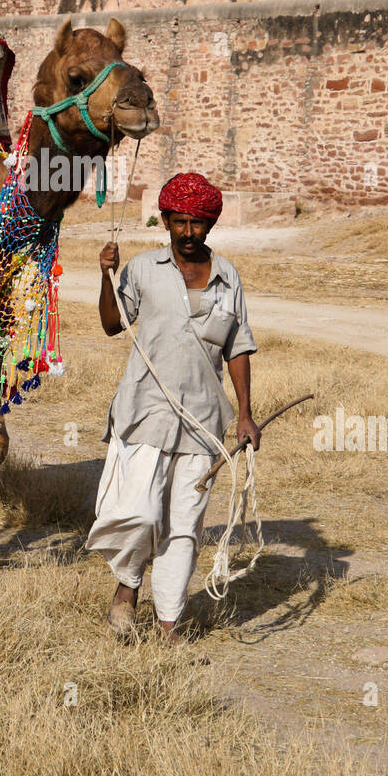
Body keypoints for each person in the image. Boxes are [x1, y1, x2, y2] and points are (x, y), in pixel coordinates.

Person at [86, 171, 261, 642]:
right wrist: (107, 275)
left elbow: (238, 347)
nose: (187, 232)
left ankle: (169, 625)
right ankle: (126, 588)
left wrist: (244, 413)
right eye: (179, 222)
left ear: (209, 226)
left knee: (184, 526)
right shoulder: (143, 269)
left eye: (197, 224)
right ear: (165, 220)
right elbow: (110, 324)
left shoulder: (228, 277)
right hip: (144, 412)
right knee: (141, 513)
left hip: (204, 420)